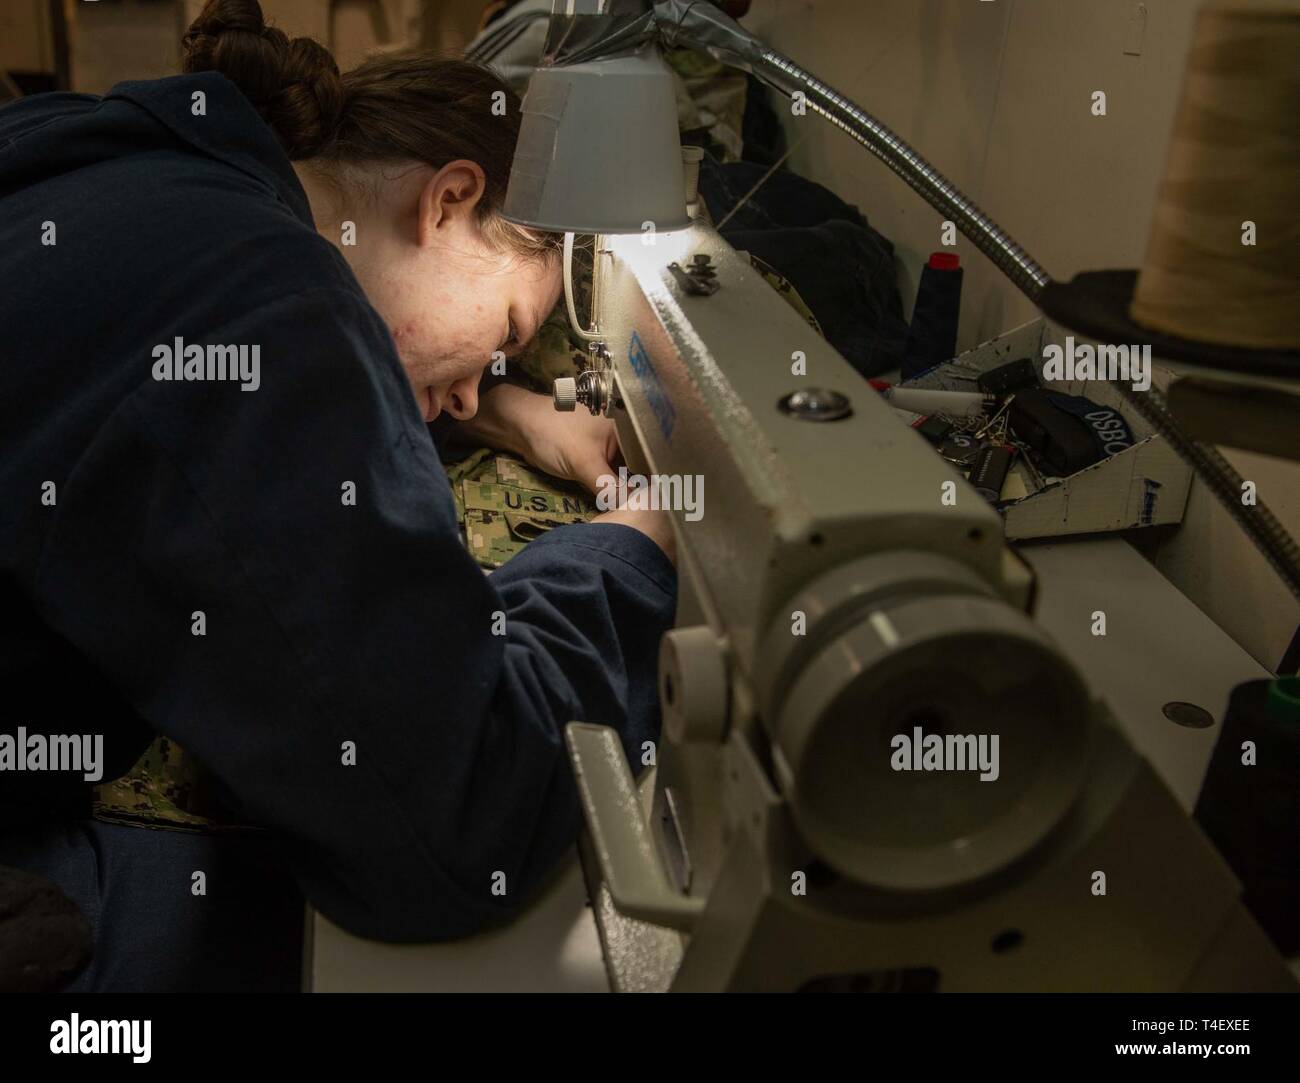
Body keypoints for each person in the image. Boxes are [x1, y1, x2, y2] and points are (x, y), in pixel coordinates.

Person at [0, 0, 676, 991]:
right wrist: (627, 554)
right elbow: (448, 823)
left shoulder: (119, 152)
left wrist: (505, 409)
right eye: (508, 335)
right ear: (447, 200)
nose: (476, 382)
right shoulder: (264, 301)